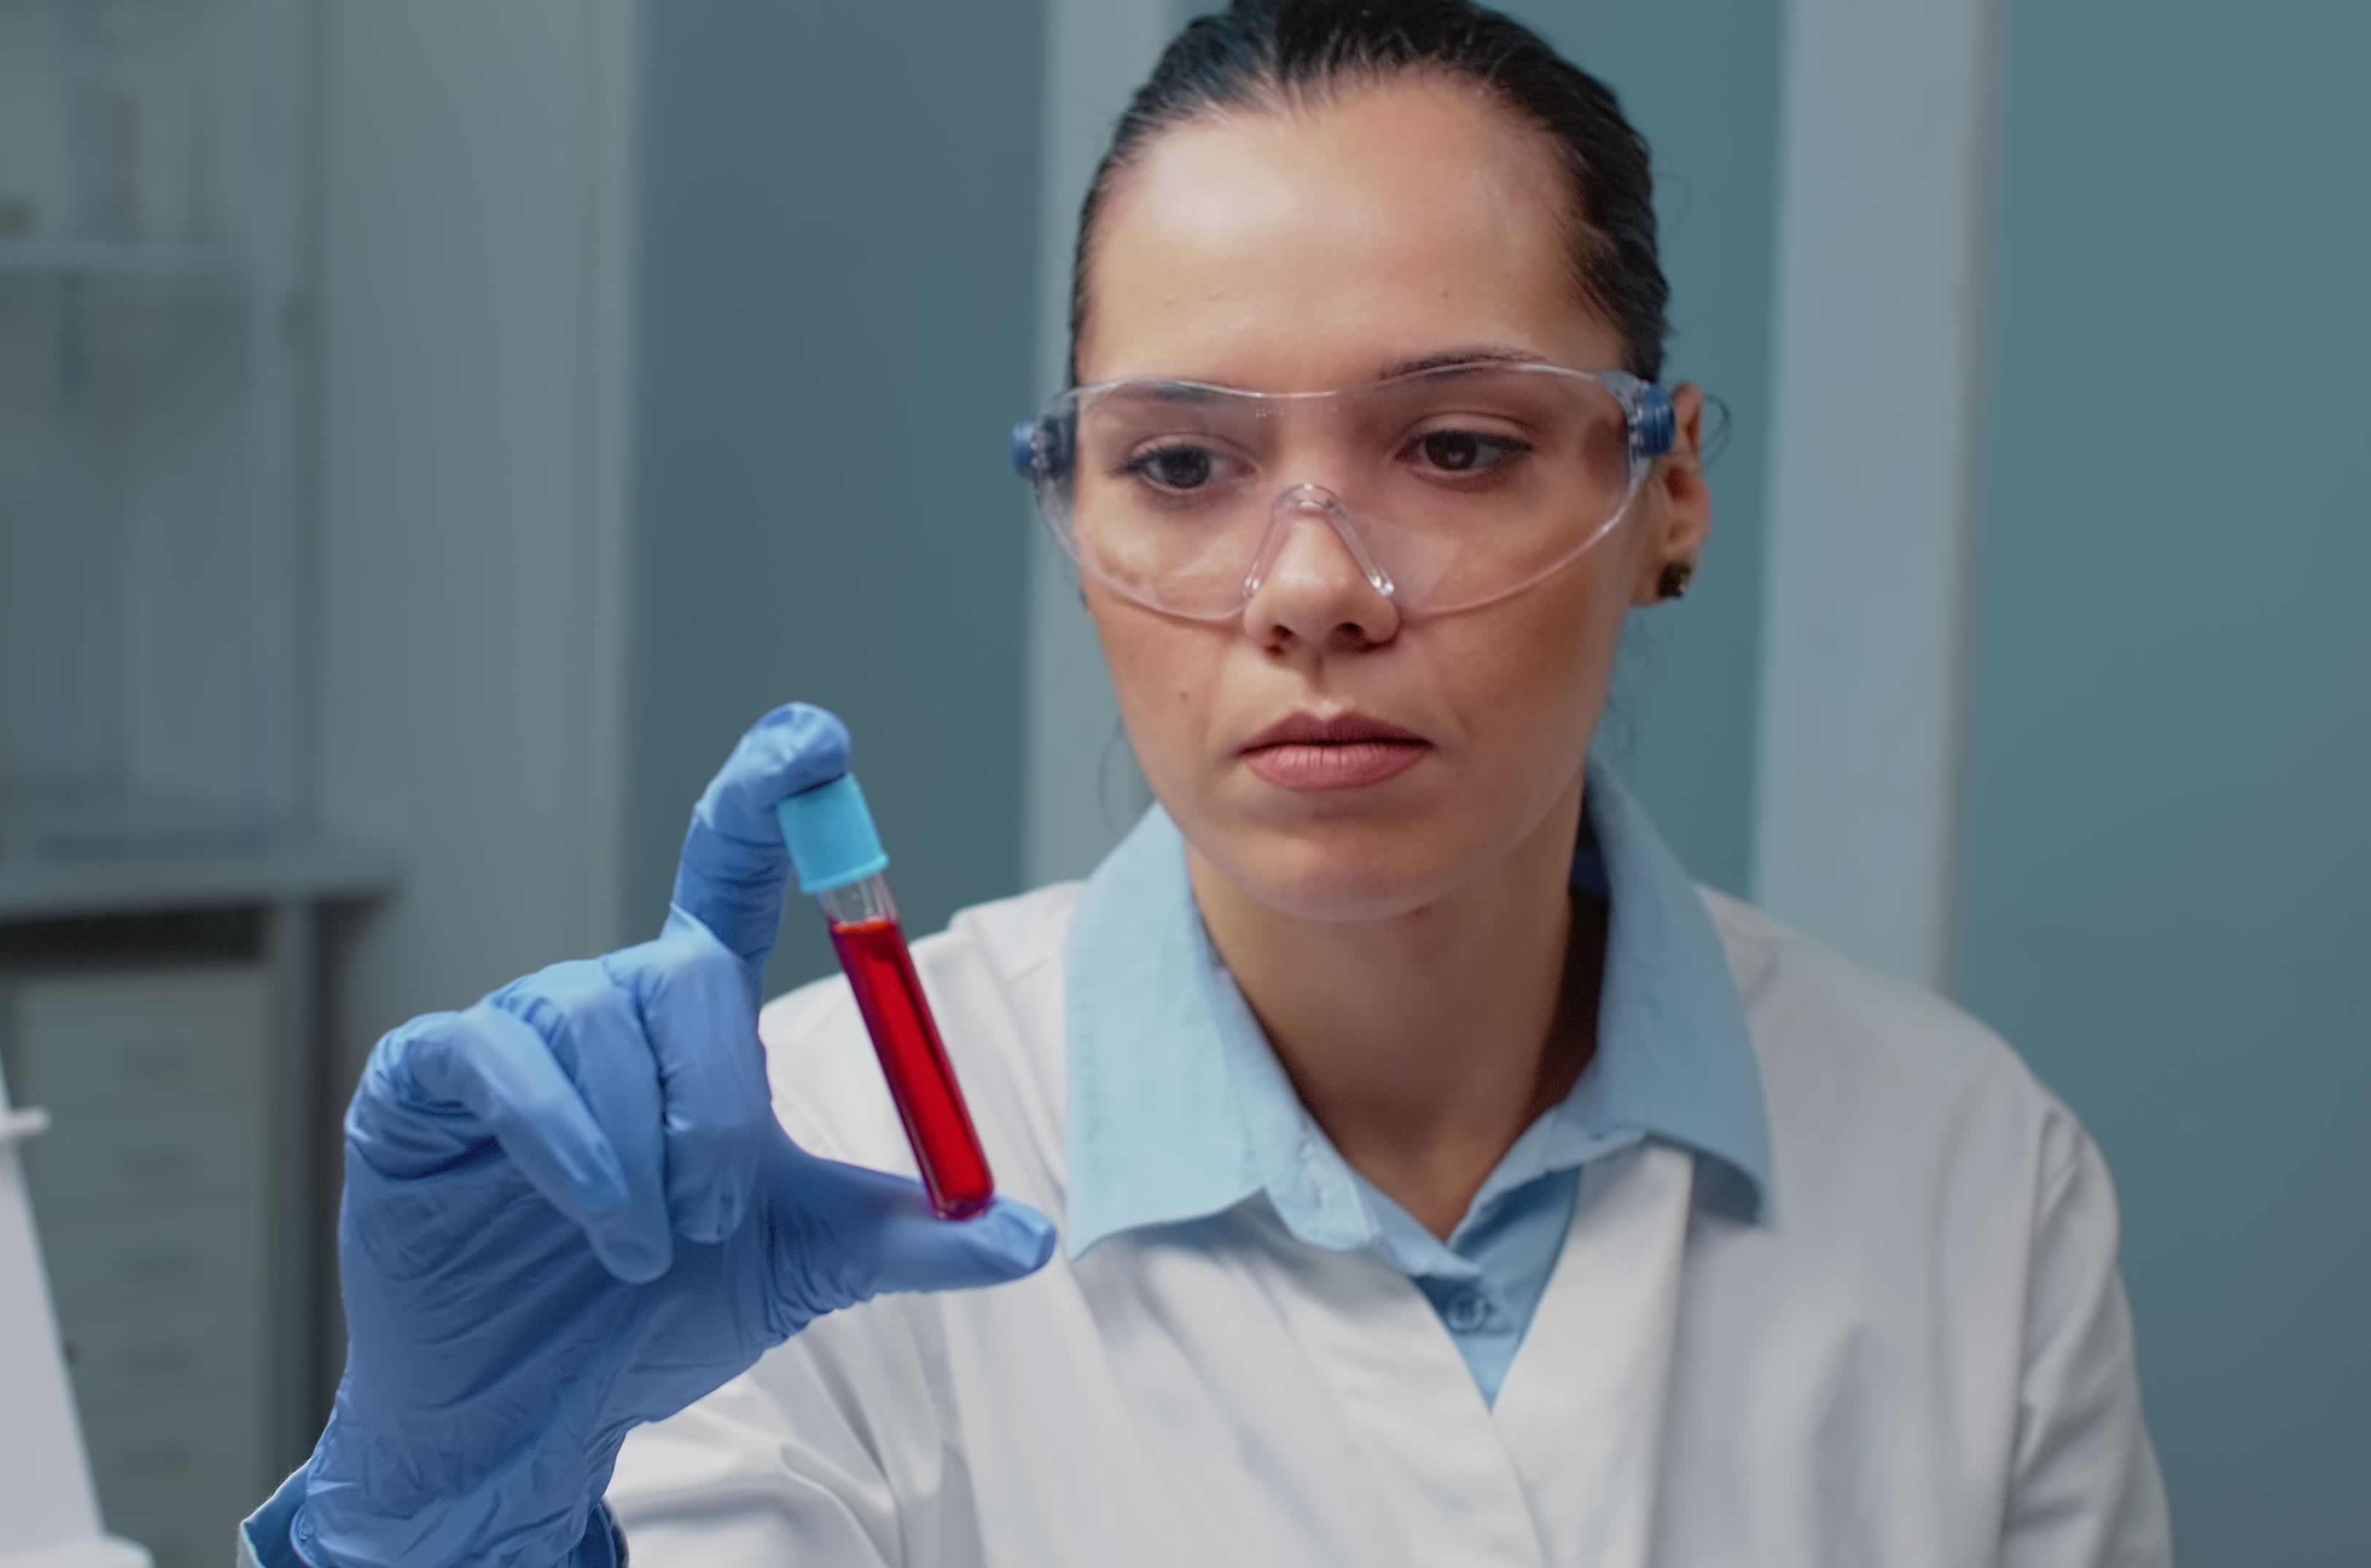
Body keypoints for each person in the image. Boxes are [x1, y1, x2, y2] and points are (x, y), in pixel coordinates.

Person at [245, 2, 2171, 1563]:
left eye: (1464, 443)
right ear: (1073, 516)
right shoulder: (811, 1180)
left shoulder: (1967, 1178)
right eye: (1180, 467)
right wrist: (443, 1533)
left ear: (1664, 498)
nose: (1315, 588)